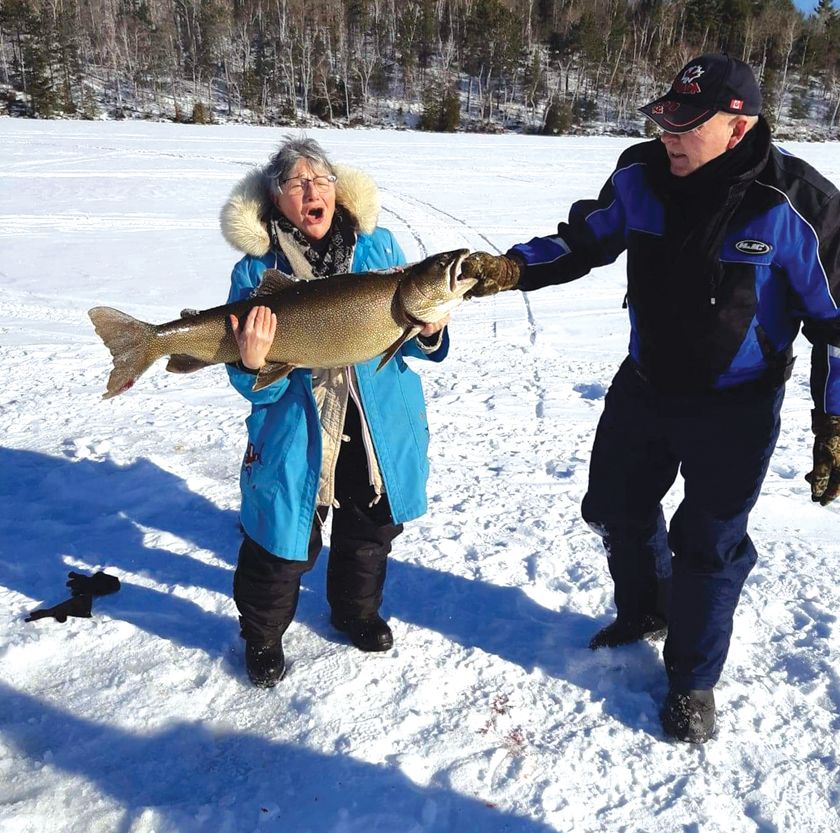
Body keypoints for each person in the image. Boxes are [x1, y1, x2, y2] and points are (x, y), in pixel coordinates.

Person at [463, 54, 840, 743]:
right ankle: (645, 608)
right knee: (614, 507)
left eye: (687, 123)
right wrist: (510, 267)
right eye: (666, 117)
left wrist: (834, 417)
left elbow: (839, 322)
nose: (669, 134)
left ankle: (692, 680)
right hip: (646, 385)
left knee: (709, 544)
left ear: (739, 124)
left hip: (737, 404)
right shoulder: (640, 175)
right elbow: (582, 241)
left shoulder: (797, 203)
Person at [219, 135, 450, 688]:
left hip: (374, 427)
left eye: (320, 180)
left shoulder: (381, 247)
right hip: (296, 431)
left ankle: (355, 613)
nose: (310, 191)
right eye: (296, 183)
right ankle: (263, 637)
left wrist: (432, 331)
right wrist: (252, 364)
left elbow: (413, 339)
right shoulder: (256, 273)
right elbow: (248, 381)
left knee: (369, 532)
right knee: (280, 541)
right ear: (276, 199)